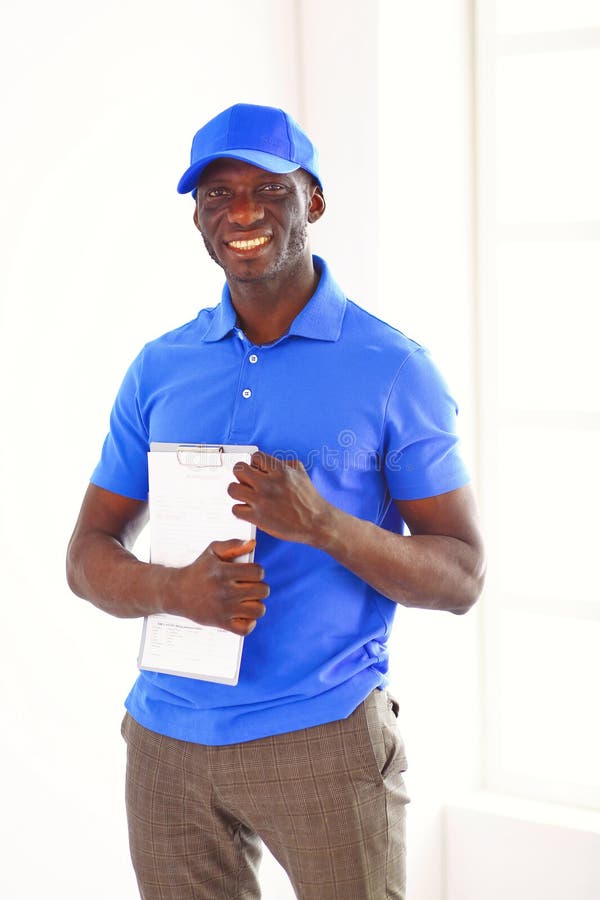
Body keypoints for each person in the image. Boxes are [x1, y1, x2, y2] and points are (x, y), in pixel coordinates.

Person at [66, 102, 485, 900]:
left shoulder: (394, 368)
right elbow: (86, 554)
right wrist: (171, 591)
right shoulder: (160, 367)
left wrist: (325, 525)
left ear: (314, 201)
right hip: (166, 742)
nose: (243, 212)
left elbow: (462, 576)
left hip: (322, 738)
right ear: (198, 216)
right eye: (218, 193)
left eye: (269, 188)